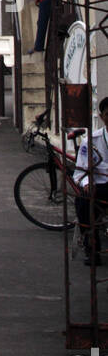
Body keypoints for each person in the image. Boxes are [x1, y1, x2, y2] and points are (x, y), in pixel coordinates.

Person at [73, 96, 108, 267]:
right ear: (102, 117)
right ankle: (92, 247)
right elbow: (80, 169)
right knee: (83, 201)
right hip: (100, 185)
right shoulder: (91, 141)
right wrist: (87, 182)